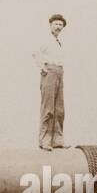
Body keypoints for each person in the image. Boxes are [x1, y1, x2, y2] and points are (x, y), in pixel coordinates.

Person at [33, 13, 68, 150]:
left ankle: (57, 140)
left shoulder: (58, 42)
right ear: (50, 25)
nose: (58, 27)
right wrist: (43, 67)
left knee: (59, 109)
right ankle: (45, 141)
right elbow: (35, 52)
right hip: (50, 72)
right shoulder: (45, 39)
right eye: (56, 24)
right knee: (48, 109)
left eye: (60, 25)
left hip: (59, 72)